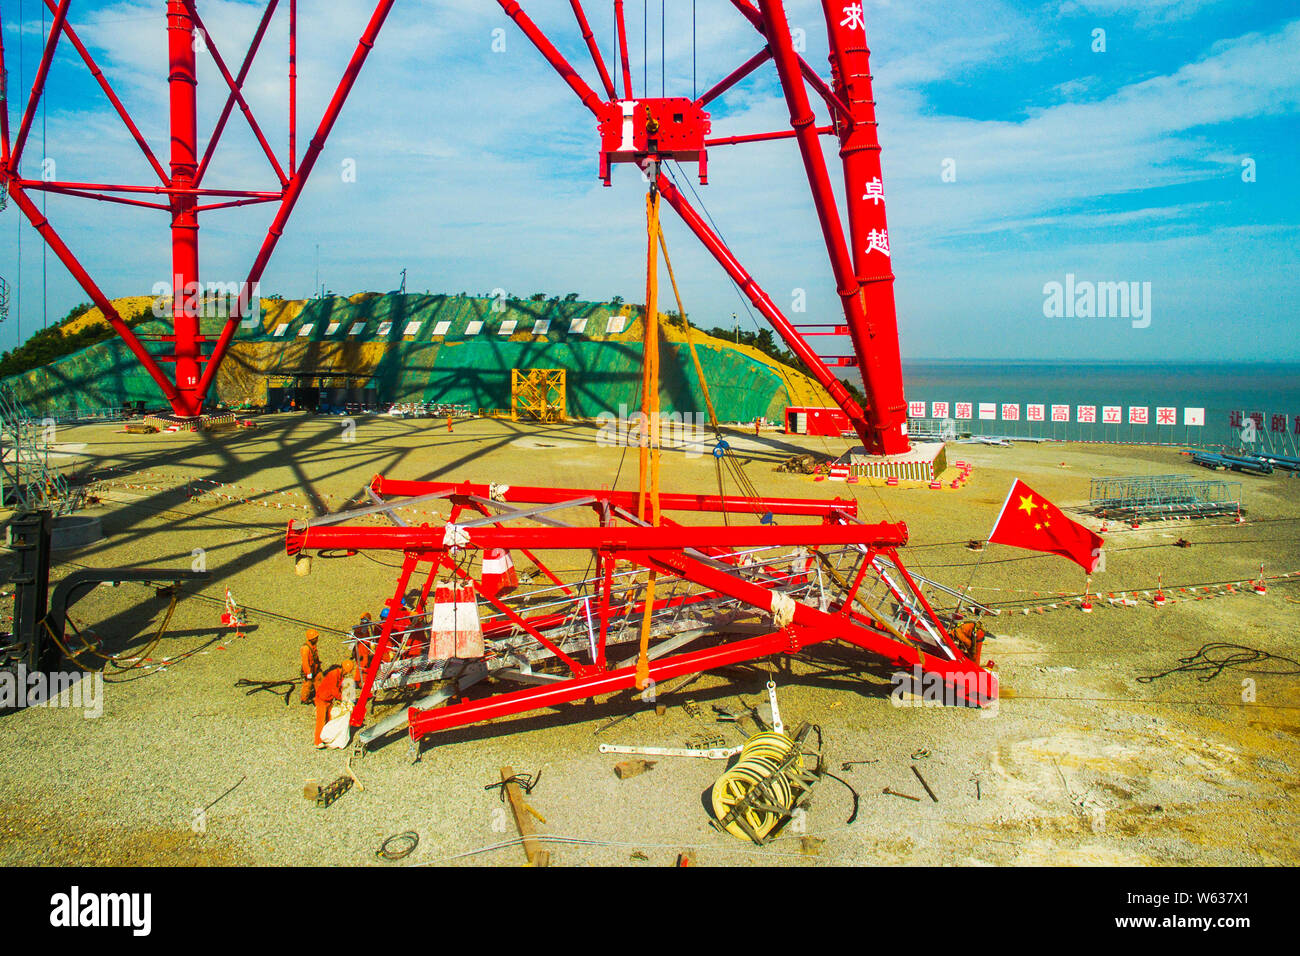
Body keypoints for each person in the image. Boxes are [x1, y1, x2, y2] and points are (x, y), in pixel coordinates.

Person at [313, 661, 355, 748]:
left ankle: (327, 738)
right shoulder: (334, 675)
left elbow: (339, 689)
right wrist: (343, 699)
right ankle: (318, 742)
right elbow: (334, 690)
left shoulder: (339, 675)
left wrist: (343, 697)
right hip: (322, 699)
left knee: (329, 718)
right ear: (346, 670)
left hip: (328, 699)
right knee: (321, 720)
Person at [299, 629, 321, 704]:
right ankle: (304, 699)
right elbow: (305, 663)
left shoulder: (313, 645)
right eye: (316, 638)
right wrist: (308, 673)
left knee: (319, 680)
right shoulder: (306, 648)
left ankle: (320, 696)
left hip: (315, 668)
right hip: (309, 670)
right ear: (312, 639)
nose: (317, 639)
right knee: (307, 685)